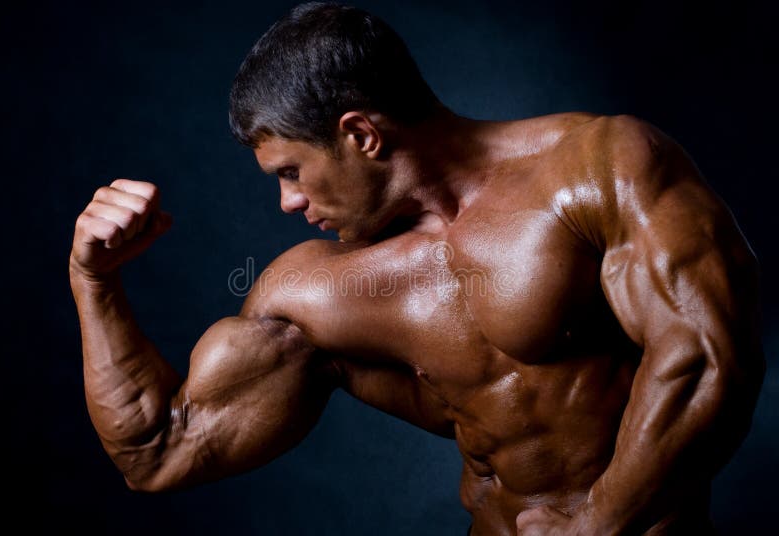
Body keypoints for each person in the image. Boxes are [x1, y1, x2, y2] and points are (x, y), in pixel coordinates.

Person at [69, 3, 765, 534]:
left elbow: (708, 358)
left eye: (291, 172)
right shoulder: (315, 292)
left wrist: (599, 526)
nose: (287, 203)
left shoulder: (600, 167)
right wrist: (94, 280)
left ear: (360, 134)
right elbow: (158, 453)